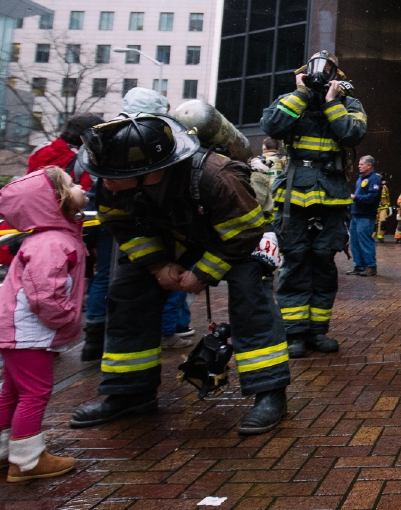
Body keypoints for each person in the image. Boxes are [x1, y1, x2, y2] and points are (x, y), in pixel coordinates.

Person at [70, 114, 290, 434]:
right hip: (172, 243)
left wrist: (203, 273)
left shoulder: (217, 176)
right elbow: (123, 227)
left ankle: (270, 392)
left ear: (149, 172)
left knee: (249, 294)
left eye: (112, 175)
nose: (104, 182)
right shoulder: (114, 183)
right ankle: (130, 393)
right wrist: (158, 265)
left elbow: (245, 232)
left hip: (236, 241)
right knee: (128, 292)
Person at [0, 168, 88, 483]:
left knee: (12, 391)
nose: (80, 186)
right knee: (35, 392)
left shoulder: (48, 237)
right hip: (28, 334)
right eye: (70, 184)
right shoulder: (53, 243)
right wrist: (66, 316)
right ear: (56, 201)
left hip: (16, 332)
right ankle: (27, 459)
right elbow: (45, 294)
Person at [261, 50, 367, 358]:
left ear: (337, 75)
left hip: (331, 193)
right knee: (295, 262)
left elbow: (352, 134)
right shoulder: (293, 99)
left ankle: (318, 332)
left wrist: (333, 104)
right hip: (294, 194)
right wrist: (300, 94)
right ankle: (294, 333)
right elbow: (273, 127)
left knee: (322, 262)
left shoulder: (349, 104)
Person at [27, 112, 109, 361]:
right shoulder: (86, 159)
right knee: (88, 281)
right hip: (74, 230)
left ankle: (36, 340)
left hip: (41, 226)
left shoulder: (41, 153)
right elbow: (87, 198)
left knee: (41, 284)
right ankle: (91, 339)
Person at [347, 155, 381, 277]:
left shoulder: (374, 179)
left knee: (365, 241)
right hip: (356, 215)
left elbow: (372, 198)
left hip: (366, 216)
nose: (359, 166)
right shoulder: (361, 178)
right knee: (354, 241)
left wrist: (355, 198)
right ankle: (359, 266)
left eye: (361, 164)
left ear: (369, 165)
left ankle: (371, 266)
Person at [248, 138, 285, 219]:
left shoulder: (257, 161)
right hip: (281, 195)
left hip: (266, 196)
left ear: (264, 148)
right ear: (277, 148)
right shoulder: (284, 159)